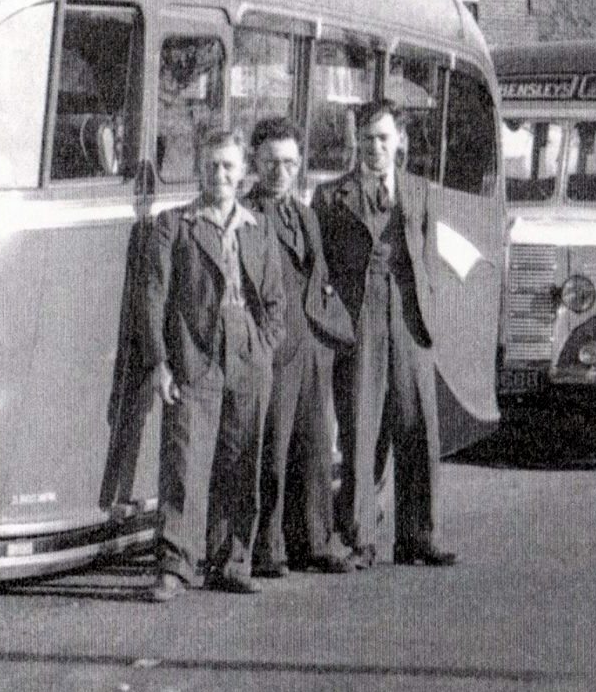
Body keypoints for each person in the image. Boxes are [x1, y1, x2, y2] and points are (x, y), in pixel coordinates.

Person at [138, 127, 288, 600]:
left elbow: (275, 300)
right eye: (211, 165)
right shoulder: (175, 224)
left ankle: (231, 562)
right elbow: (153, 298)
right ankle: (175, 566)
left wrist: (263, 346)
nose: (219, 174)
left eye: (228, 166)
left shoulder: (257, 227)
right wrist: (160, 362)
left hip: (247, 349)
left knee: (240, 458)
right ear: (198, 170)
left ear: (243, 173)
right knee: (185, 458)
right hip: (194, 351)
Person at [312, 100, 457, 568]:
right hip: (360, 318)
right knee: (361, 423)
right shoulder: (330, 197)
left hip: (410, 317)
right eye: (367, 138)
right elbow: (320, 267)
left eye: (383, 138)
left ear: (400, 141)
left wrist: (427, 310)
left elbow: (428, 256)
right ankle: (359, 536)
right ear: (356, 142)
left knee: (418, 425)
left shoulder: (419, 190)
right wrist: (334, 322)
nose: (375, 147)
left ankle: (419, 536)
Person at [245, 117, 358, 579]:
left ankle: (315, 540)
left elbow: (319, 274)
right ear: (255, 162)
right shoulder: (246, 214)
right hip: (273, 344)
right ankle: (267, 548)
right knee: (272, 449)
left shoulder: (306, 213)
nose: (281, 172)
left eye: (290, 163)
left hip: (311, 344)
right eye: (271, 162)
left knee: (314, 446)